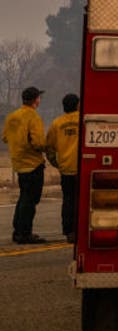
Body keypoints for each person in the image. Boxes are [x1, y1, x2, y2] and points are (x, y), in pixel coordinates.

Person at [4, 86, 47, 243]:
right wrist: (47, 146)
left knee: (24, 198)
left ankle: (17, 231)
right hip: (33, 164)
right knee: (30, 201)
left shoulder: (12, 116)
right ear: (35, 100)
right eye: (39, 98)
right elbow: (38, 142)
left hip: (19, 163)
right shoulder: (33, 117)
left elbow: (5, 137)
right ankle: (25, 233)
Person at [46, 94, 80, 243]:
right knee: (83, 200)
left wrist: (56, 163)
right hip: (83, 168)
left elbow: (49, 148)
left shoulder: (56, 123)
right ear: (78, 105)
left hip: (66, 168)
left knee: (68, 200)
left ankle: (69, 231)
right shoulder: (84, 119)